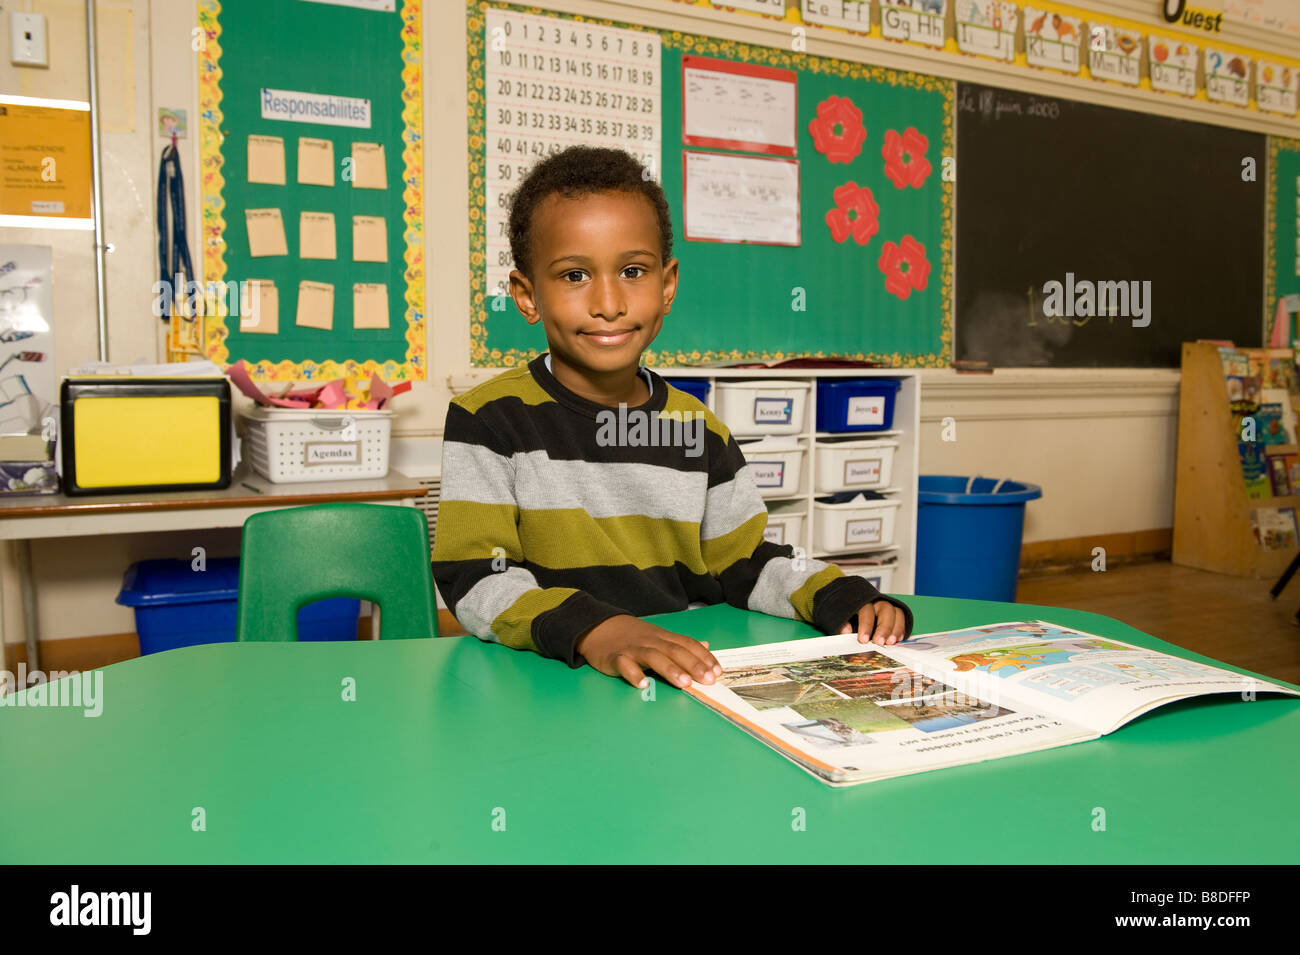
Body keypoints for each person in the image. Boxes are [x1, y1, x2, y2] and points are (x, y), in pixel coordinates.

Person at [432, 145, 913, 690]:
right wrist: (597, 630)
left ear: (667, 286)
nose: (609, 302)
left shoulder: (698, 429)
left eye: (633, 271)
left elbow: (745, 563)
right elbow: (475, 579)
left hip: (682, 677)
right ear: (527, 295)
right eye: (574, 276)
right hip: (549, 682)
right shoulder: (490, 420)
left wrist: (838, 596)